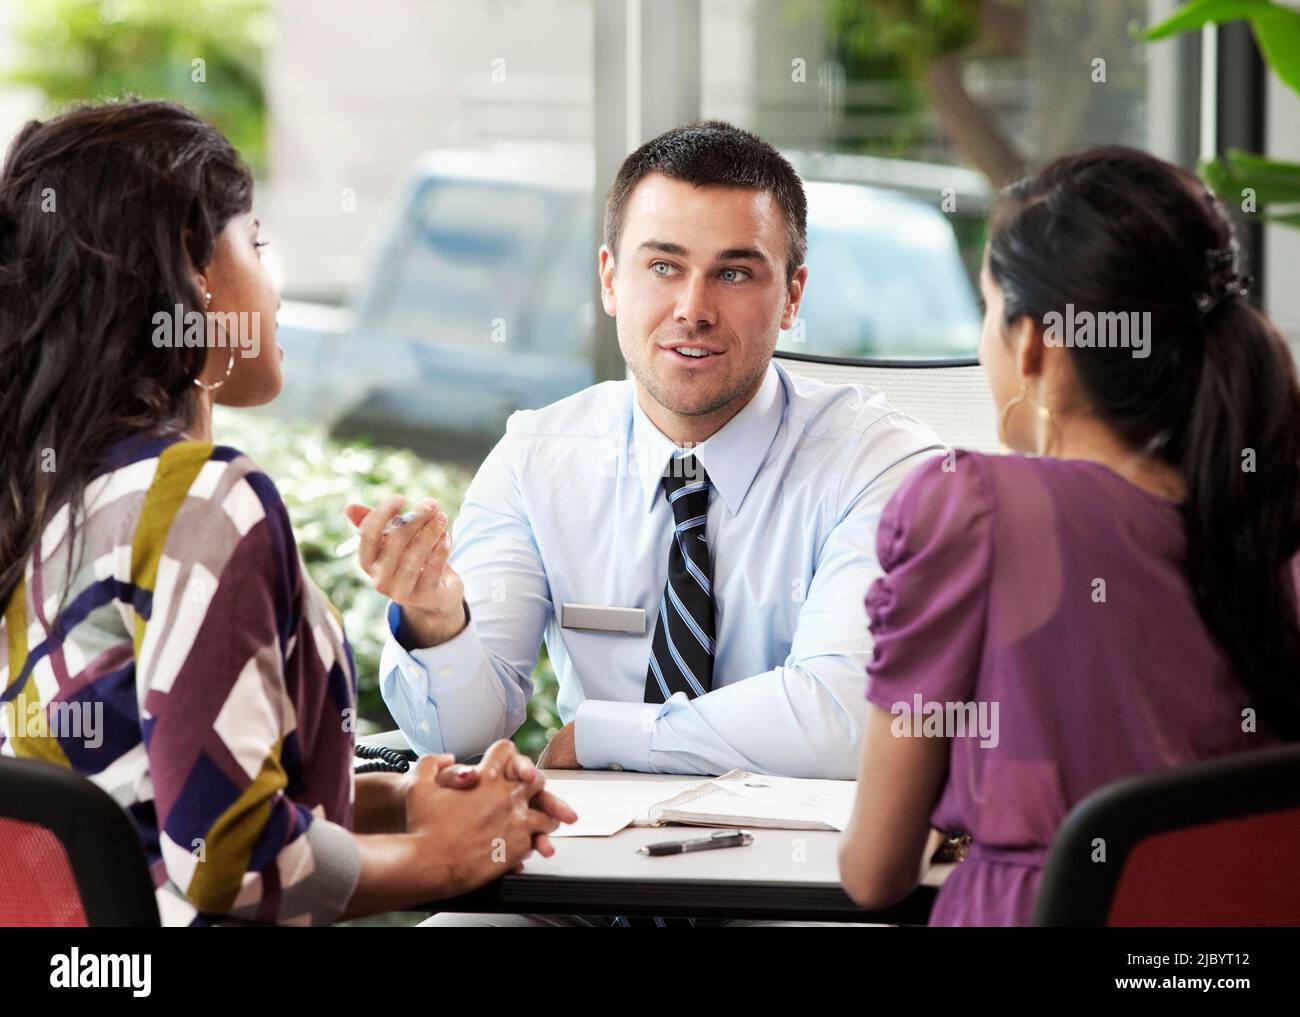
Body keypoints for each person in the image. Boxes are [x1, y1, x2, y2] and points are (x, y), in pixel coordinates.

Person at [0, 98, 573, 927]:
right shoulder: (201, 500)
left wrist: (405, 800)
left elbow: (157, 794)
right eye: (257, 244)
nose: (273, 282)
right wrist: (446, 855)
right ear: (194, 278)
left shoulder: (48, 493)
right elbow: (235, 863)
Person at [350, 121, 943, 784]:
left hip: (800, 877)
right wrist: (438, 621)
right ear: (609, 279)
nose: (694, 308)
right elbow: (462, 735)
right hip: (591, 864)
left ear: (791, 296)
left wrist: (609, 736)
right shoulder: (535, 461)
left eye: (735, 273)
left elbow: (846, 718)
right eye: (664, 266)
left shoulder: (883, 465)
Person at [838, 145, 1300, 926]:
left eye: (987, 306)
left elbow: (875, 869)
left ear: (1034, 346)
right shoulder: (1267, 516)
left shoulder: (975, 507)